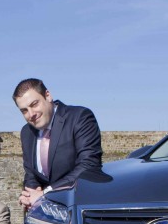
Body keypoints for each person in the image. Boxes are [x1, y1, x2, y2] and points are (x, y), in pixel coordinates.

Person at [12, 78, 103, 210]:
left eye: (34, 104)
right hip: (45, 214)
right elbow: (31, 173)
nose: (31, 114)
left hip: (79, 209)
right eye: (24, 110)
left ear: (48, 96)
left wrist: (45, 193)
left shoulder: (80, 117)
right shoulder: (27, 132)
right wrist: (29, 195)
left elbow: (88, 165)